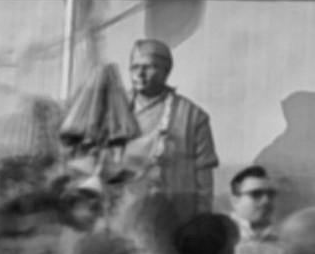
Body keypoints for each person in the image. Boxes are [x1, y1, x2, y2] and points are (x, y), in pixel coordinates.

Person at [72, 40, 219, 223]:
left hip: (174, 218)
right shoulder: (110, 111)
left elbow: (204, 179)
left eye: (148, 67)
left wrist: (203, 222)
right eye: (134, 67)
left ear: (166, 71)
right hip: (120, 217)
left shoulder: (193, 117)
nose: (140, 74)